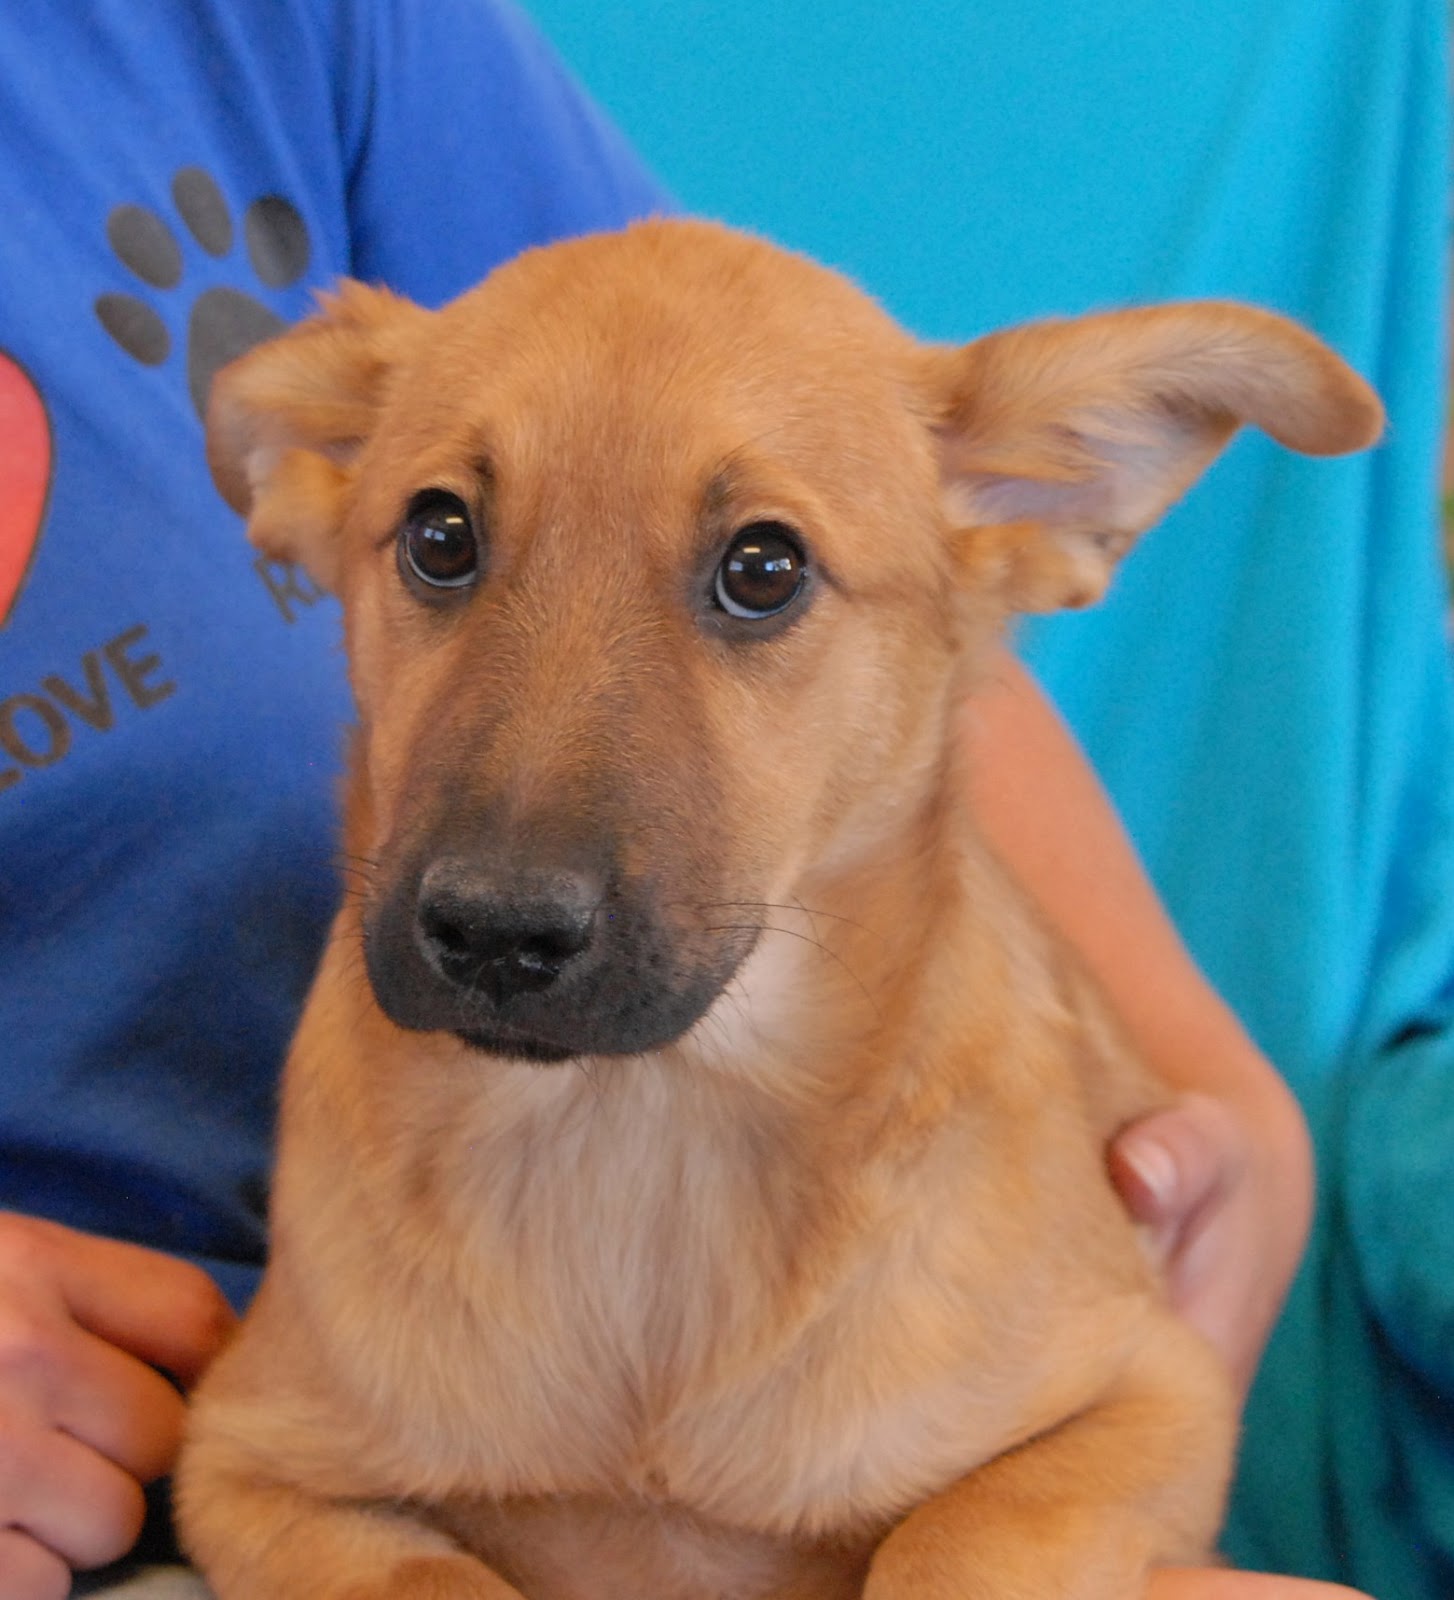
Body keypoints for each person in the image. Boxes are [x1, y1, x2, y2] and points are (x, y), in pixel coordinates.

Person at [0, 1, 1412, 1597]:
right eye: (446, 543)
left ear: (1038, 507)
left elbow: (1128, 1404)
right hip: (97, 1476)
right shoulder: (339, 1336)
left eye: (757, 573)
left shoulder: (287, 26)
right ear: (318, 485)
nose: (513, 866)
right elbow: (262, 1474)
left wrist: (1228, 1106)